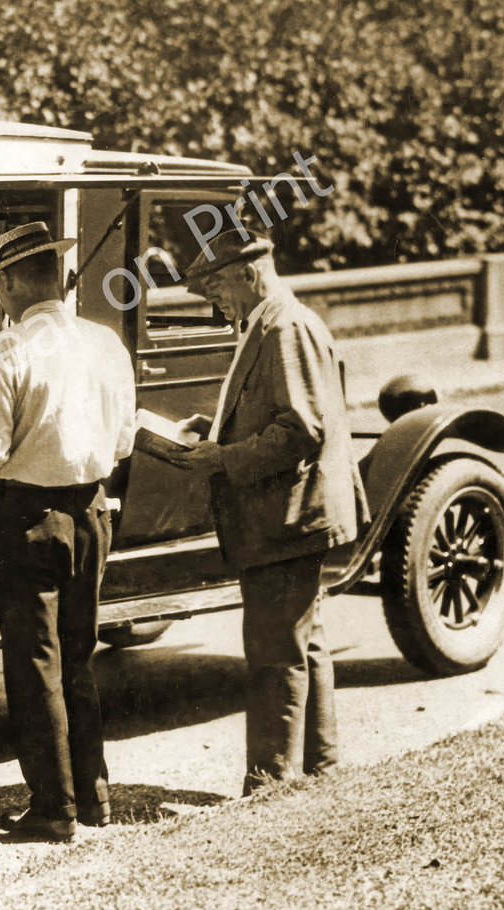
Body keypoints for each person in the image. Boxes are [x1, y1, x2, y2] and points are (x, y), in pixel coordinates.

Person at [0, 222, 136, 842]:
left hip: (26, 518)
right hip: (90, 513)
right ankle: (93, 793)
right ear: (57, 275)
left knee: (35, 663)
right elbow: (125, 439)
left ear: (5, 282)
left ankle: (54, 807)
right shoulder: (106, 343)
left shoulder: (7, 349)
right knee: (77, 655)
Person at [176, 228, 368, 794]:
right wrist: (210, 434)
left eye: (214, 287)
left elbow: (300, 430)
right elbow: (281, 417)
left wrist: (222, 457)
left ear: (248, 273)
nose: (212, 301)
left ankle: (270, 783)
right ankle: (320, 769)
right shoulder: (271, 322)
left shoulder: (284, 326)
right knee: (300, 642)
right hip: (287, 513)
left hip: (289, 517)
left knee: (273, 649)